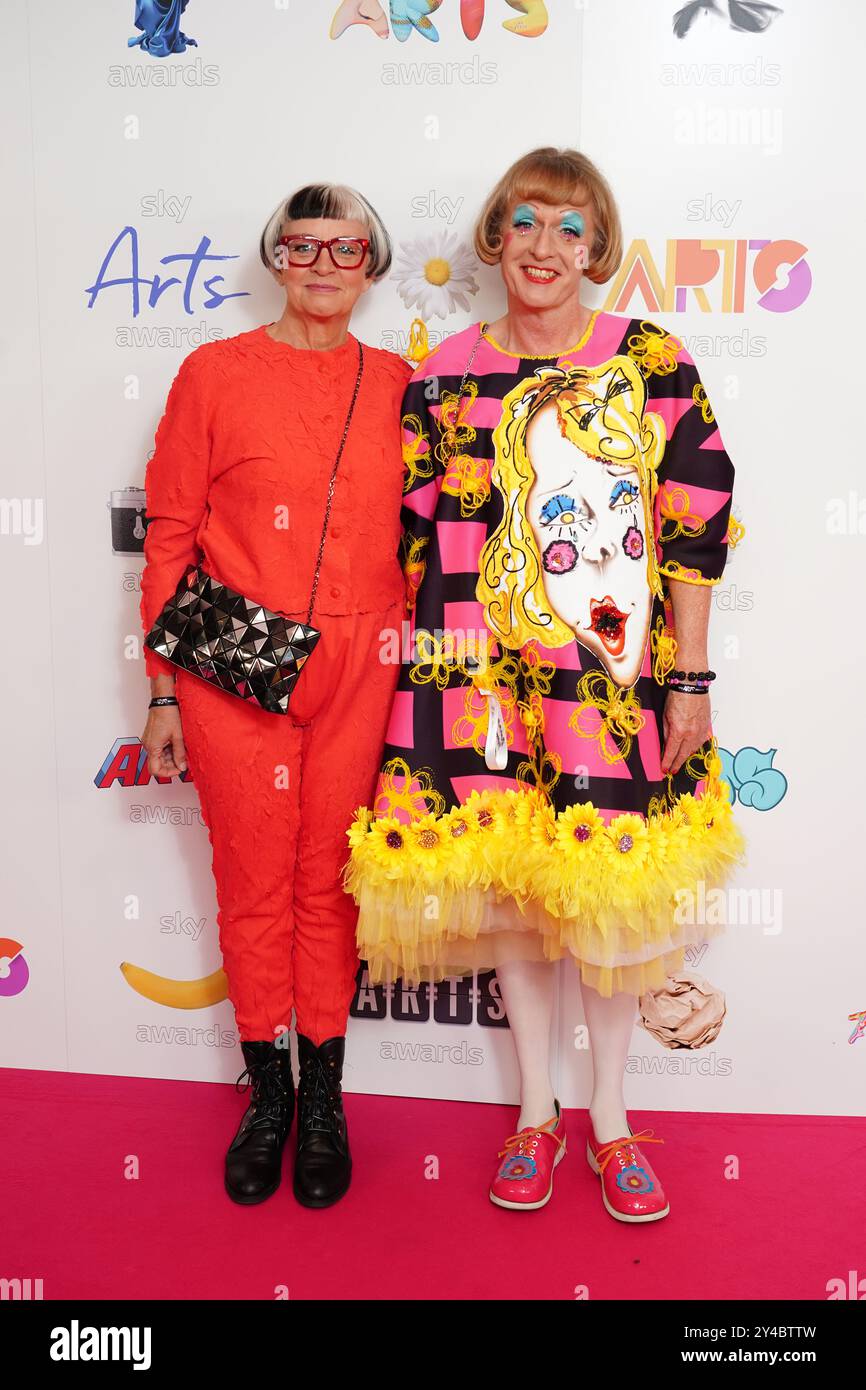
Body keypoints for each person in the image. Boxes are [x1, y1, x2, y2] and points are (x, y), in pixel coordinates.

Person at [345, 147, 745, 1220]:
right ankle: (534, 1114)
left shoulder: (648, 360)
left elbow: (694, 533)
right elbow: (408, 543)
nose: (542, 247)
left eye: (569, 229)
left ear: (597, 251)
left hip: (606, 683)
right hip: (475, 681)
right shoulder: (440, 375)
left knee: (606, 902)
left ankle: (609, 1121)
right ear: (493, 239)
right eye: (523, 222)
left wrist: (689, 680)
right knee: (518, 902)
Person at [140, 183, 411, 1208]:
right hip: (232, 669)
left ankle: (326, 1097)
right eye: (304, 247)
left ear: (372, 266)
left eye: (347, 249)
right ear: (276, 258)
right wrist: (162, 692)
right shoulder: (211, 373)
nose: (324, 265)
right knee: (253, 881)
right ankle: (267, 1095)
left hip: (362, 661)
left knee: (328, 883)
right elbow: (168, 535)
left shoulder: (398, 383)